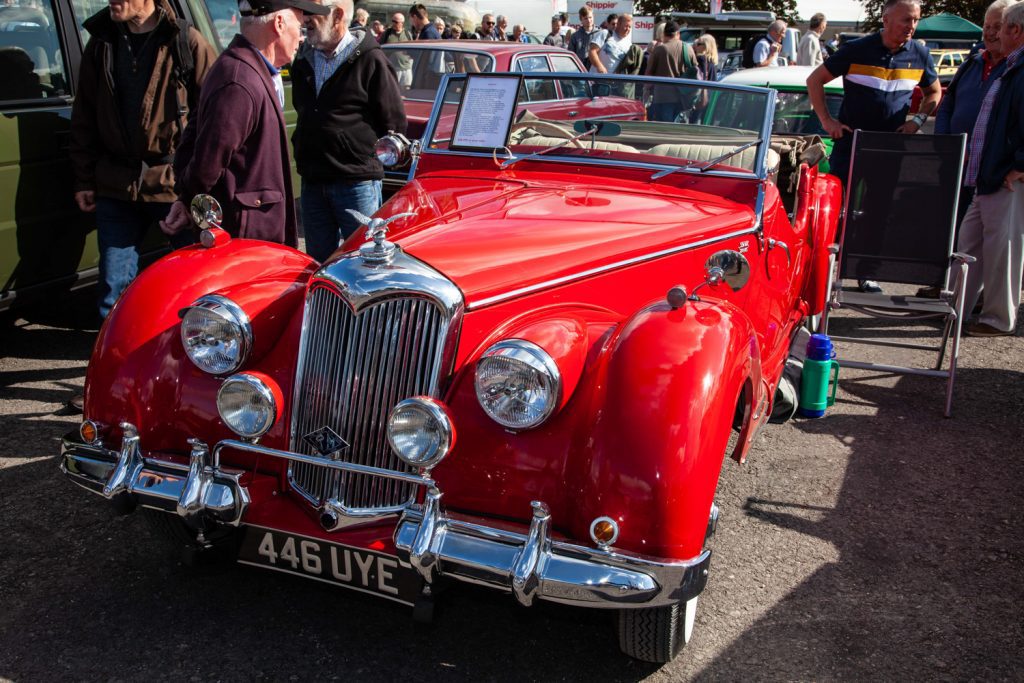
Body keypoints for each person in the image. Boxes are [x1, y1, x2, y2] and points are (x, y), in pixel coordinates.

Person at [69, 0, 215, 319]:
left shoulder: (186, 41)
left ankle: (195, 346)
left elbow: (214, 119)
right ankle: (119, 351)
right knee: (113, 295)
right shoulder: (102, 42)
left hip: (173, 185)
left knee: (196, 283)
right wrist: (84, 178)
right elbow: (84, 115)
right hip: (116, 184)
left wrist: (197, 185)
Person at [160, 0, 329, 247]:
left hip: (252, 231)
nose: (302, 37)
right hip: (245, 237)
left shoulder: (243, 70)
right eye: (300, 26)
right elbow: (207, 160)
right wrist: (187, 200)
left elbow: (193, 141)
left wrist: (185, 197)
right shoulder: (239, 79)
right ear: (279, 24)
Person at [806, 0, 941, 292]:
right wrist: (827, 121)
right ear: (886, 19)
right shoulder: (857, 49)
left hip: (890, 147)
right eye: (906, 19)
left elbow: (934, 91)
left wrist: (917, 121)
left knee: (878, 210)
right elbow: (814, 80)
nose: (911, 26)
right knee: (835, 207)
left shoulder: (920, 53)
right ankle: (822, 270)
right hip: (851, 143)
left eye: (915, 20)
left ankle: (866, 271)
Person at [290, 0, 406, 263]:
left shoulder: (370, 59)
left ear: (337, 16)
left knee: (364, 262)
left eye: (312, 12)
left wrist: (358, 151)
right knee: (318, 265)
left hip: (356, 182)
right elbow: (304, 110)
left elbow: (394, 122)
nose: (305, 19)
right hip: (313, 180)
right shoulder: (304, 59)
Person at [925, 0, 1012, 297]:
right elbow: (948, 104)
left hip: (990, 166)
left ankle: (976, 295)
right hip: (957, 159)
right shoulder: (973, 61)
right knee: (951, 225)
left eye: (997, 27)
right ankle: (944, 285)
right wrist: (945, 143)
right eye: (987, 26)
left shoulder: (1014, 68)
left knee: (986, 235)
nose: (990, 33)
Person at [956, 0, 1024, 336]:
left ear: (1016, 30)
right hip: (988, 175)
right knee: (969, 244)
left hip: (1004, 177)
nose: (995, 34)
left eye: (1002, 27)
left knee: (1002, 250)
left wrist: (1019, 167)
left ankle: (997, 319)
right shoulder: (1012, 66)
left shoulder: (1020, 69)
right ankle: (957, 309)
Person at [644, 21, 700, 122]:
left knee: (664, 128)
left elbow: (649, 74)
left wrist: (646, 93)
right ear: (678, 33)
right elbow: (695, 71)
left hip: (662, 98)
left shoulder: (660, 49)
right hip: (684, 98)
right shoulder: (688, 48)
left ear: (664, 34)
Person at [380, 12, 412, 87]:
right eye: (393, 21)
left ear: (402, 23)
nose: (393, 23)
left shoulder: (407, 34)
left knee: (406, 89)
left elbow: (411, 49)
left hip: (406, 68)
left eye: (396, 22)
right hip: (392, 68)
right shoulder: (387, 34)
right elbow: (381, 48)